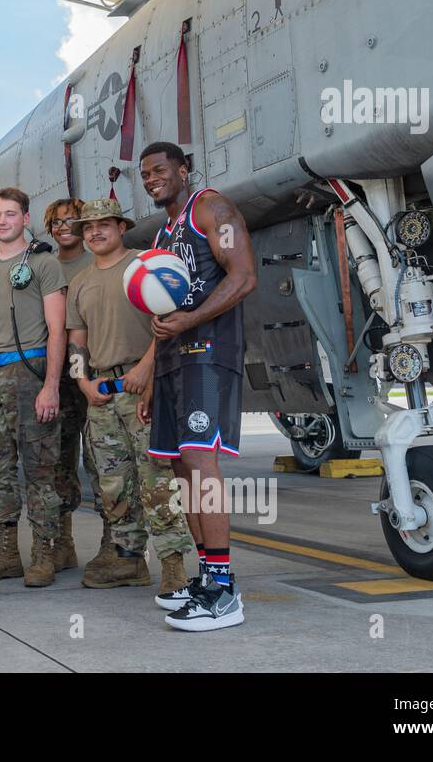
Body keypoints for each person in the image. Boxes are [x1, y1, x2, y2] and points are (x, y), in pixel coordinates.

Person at [139, 141, 256, 631]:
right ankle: (207, 574)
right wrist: (149, 373)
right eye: (145, 174)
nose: (151, 179)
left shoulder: (210, 206)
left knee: (201, 459)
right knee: (180, 466)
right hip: (172, 360)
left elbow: (244, 276)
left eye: (160, 170)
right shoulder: (165, 232)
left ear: (184, 169)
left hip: (208, 352)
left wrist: (190, 321)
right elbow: (167, 312)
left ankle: (223, 589)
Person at [65, 197, 194, 592]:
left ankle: (173, 564)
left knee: (157, 479)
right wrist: (82, 381)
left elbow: (169, 321)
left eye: (104, 224)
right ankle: (128, 559)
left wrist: (146, 370)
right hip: (102, 393)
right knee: (113, 483)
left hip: (145, 387)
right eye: (88, 227)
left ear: (122, 227)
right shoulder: (81, 282)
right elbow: (76, 342)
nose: (96, 232)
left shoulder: (149, 265)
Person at [0, 187, 65, 587]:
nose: (2, 221)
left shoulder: (44, 263)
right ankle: (7, 551)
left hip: (30, 372)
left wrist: (51, 386)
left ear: (25, 218)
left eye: (10, 214)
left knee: (39, 468)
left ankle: (43, 552)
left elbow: (57, 329)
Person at [43, 196, 105, 572]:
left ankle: (115, 543)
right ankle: (62, 542)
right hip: (58, 378)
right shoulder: (44, 266)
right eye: (56, 222)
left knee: (102, 461)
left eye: (71, 220)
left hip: (95, 372)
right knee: (58, 463)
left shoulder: (96, 260)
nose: (63, 227)